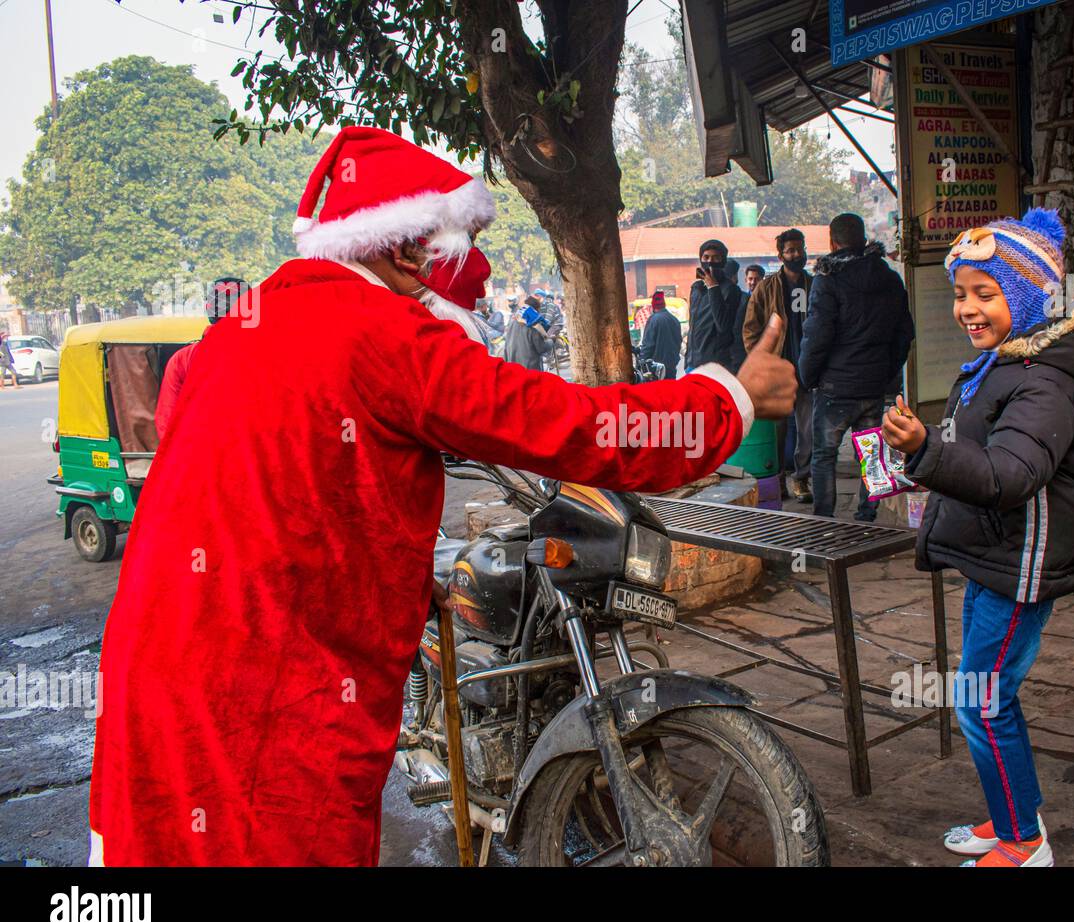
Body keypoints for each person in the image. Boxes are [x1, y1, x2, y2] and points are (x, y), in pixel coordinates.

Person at [87, 126, 796, 866]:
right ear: (401, 249)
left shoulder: (251, 320)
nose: (462, 279)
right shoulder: (384, 333)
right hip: (264, 691)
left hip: (154, 661)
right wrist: (728, 402)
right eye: (451, 250)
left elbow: (234, 456)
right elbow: (567, 425)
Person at [882, 208, 1074, 868]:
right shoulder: (1004, 363)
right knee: (982, 699)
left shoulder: (1045, 380)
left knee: (982, 705)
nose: (967, 309)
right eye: (960, 294)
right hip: (994, 559)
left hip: (1022, 566)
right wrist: (918, 454)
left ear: (1027, 295)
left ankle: (1024, 844)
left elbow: (1008, 474)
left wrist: (926, 450)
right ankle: (1011, 816)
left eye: (985, 294)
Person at [800, 213, 914, 521]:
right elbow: (905, 333)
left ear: (832, 241)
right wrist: (887, 372)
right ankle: (867, 518)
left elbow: (817, 335)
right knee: (872, 450)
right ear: (864, 240)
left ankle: (824, 519)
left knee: (824, 454)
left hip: (835, 386)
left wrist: (808, 375)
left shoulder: (828, 281)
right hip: (874, 385)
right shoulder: (890, 278)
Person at [744, 229, 814, 502]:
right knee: (778, 431)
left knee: (807, 432)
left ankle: (801, 479)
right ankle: (779, 481)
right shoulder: (767, 288)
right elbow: (750, 329)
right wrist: (762, 360)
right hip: (777, 373)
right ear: (781, 255)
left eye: (800, 249)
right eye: (791, 250)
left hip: (807, 372)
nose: (797, 254)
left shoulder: (814, 284)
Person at [155, 277, 250, 440]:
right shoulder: (270, 355)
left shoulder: (182, 359)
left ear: (208, 308)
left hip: (199, 456)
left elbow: (166, 422)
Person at [685, 239, 745, 373]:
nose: (710, 261)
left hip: (716, 366)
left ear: (723, 261)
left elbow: (723, 326)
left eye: (715, 258)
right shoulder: (697, 288)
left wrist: (713, 287)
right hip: (692, 363)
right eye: (706, 257)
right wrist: (688, 358)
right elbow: (693, 325)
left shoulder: (731, 289)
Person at [637, 290, 683, 378]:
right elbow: (679, 341)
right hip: (672, 366)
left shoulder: (653, 320)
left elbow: (648, 344)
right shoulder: (674, 319)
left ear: (653, 306)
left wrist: (642, 361)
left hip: (657, 368)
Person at [503, 295, 553, 371]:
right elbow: (541, 348)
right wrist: (551, 341)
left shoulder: (513, 321)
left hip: (513, 368)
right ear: (536, 309)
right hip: (529, 369)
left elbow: (506, 348)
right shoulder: (533, 324)